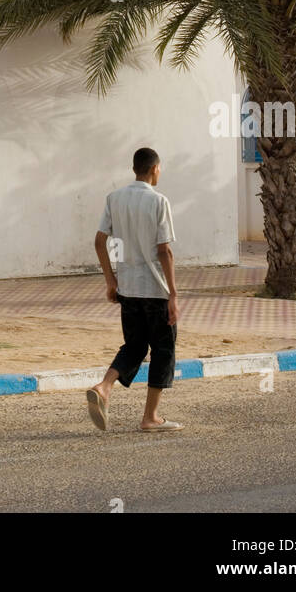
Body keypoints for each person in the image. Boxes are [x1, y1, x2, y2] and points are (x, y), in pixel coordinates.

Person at [86, 147, 183, 432]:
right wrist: (174, 294)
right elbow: (164, 251)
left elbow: (99, 241)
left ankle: (104, 386)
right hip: (155, 290)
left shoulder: (114, 198)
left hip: (127, 288)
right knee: (163, 350)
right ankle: (150, 417)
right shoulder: (159, 201)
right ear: (154, 169)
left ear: (134, 169)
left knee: (135, 346)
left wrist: (110, 280)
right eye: (160, 168)